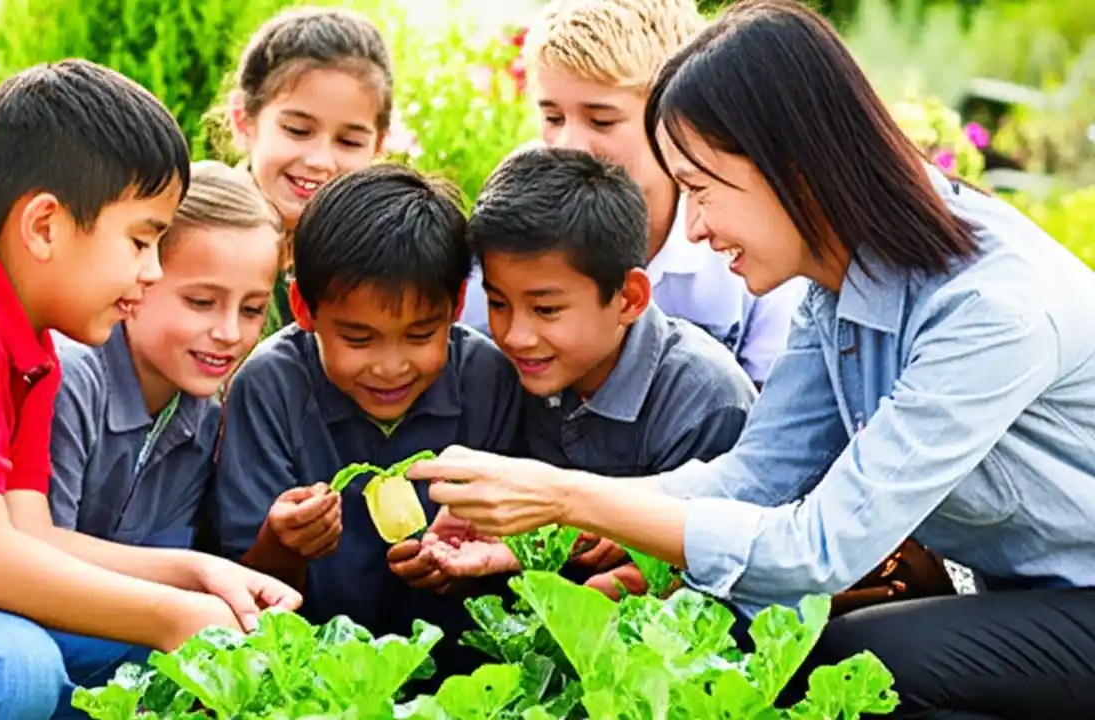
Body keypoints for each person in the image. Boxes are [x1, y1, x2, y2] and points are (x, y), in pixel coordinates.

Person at [407, 1, 1095, 717]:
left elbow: (819, 550)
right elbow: (754, 478)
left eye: (701, 190)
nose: (696, 226)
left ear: (792, 165)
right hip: (1035, 603)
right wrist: (533, 523)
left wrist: (565, 496)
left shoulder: (990, 309)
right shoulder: (838, 283)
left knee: (863, 665)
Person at [0, 60, 298, 720]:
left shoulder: (28, 342)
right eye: (140, 240)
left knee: (126, 649)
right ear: (44, 226)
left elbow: (29, 538)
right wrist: (169, 615)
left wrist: (196, 576)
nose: (151, 270)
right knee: (9, 670)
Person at [209, 163, 522, 680]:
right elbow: (244, 585)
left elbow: (518, 557)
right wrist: (282, 544)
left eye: (421, 335)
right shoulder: (270, 387)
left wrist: (462, 571)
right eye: (359, 339)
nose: (390, 366)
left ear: (456, 307)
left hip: (462, 680)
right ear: (303, 310)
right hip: (310, 681)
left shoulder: (488, 380)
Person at [445, 145, 754, 596]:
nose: (515, 335)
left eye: (546, 309)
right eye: (497, 303)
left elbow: (723, 563)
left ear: (628, 298)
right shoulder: (499, 368)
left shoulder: (704, 400)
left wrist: (639, 582)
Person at [458, 0, 805, 386]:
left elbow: (776, 403)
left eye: (602, 121)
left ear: (675, 117)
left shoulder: (738, 226)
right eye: (553, 117)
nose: (569, 144)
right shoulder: (516, 204)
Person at [49, 161, 282, 550]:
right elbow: (40, 556)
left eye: (252, 309)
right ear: (139, 278)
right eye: (201, 302)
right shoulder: (72, 380)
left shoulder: (203, 416)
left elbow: (162, 561)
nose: (228, 333)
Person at [224, 6, 394, 330]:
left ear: (379, 145)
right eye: (298, 131)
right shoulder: (191, 235)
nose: (320, 161)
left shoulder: (377, 261)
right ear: (243, 120)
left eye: (349, 142)